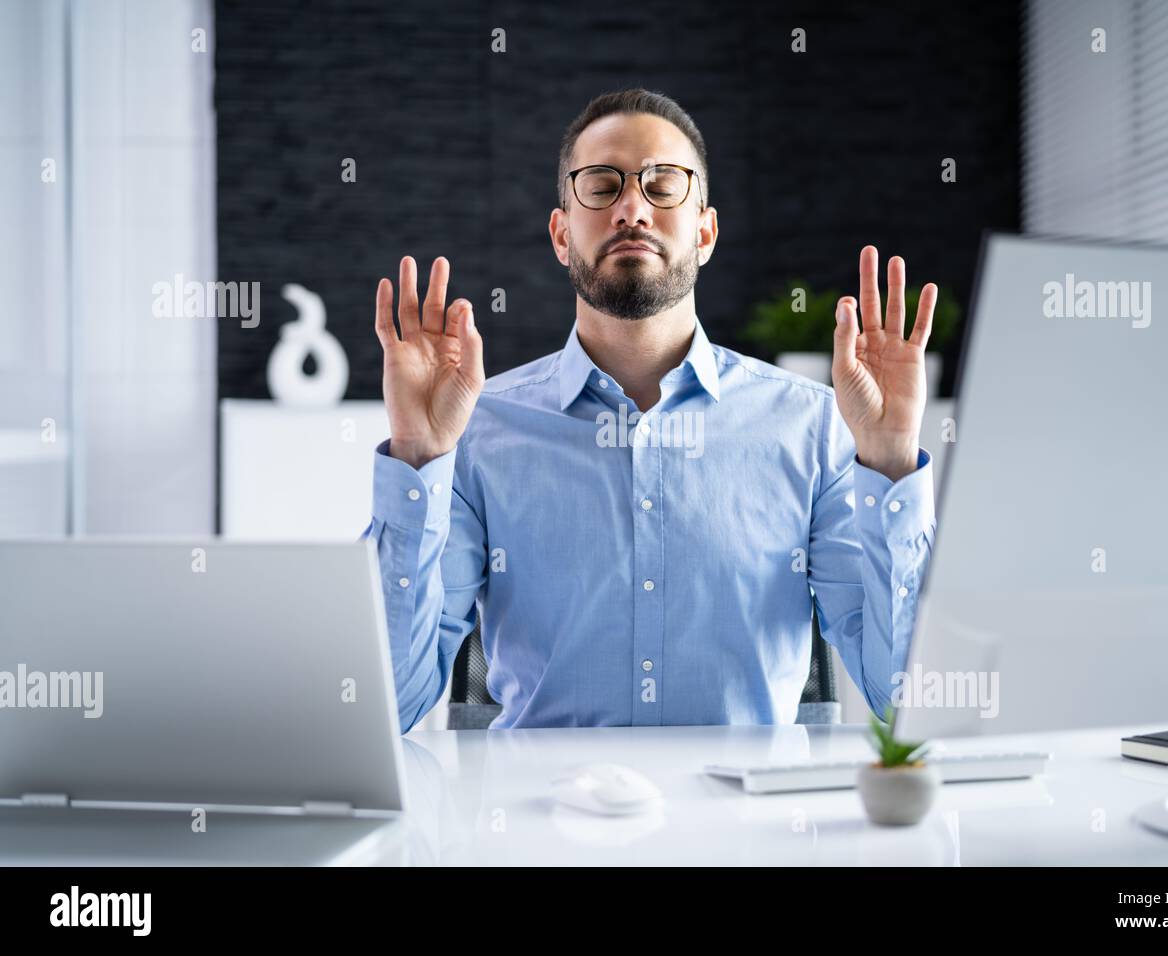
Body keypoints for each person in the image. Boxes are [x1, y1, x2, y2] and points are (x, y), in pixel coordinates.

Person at [364, 88, 938, 732]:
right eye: (602, 185)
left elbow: (906, 697)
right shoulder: (477, 432)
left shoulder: (813, 427)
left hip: (748, 828)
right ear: (561, 234)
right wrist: (418, 454)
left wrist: (888, 460)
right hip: (538, 823)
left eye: (663, 185)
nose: (632, 208)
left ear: (705, 230)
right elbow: (392, 703)